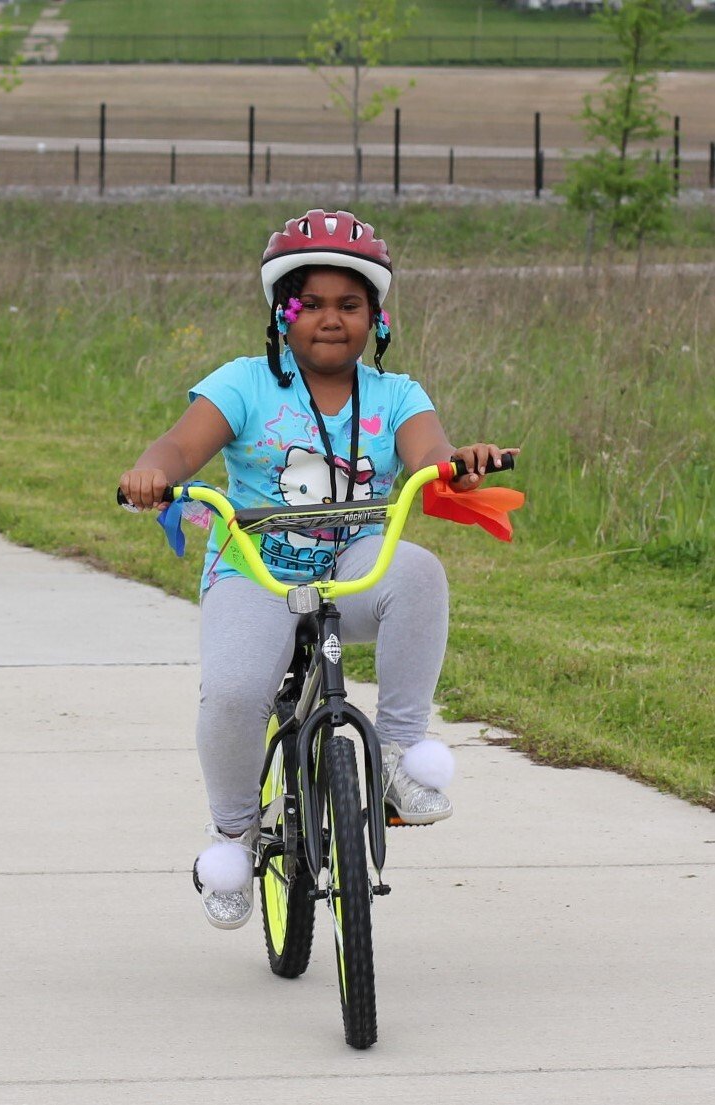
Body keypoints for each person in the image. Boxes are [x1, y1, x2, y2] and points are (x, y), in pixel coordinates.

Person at [117, 209, 516, 931]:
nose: (330, 319)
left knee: (419, 572)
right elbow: (179, 448)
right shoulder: (242, 384)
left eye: (349, 304)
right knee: (235, 693)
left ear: (375, 317)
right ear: (281, 314)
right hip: (257, 571)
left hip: (352, 565)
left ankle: (397, 753)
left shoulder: (396, 395)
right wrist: (153, 471)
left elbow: (430, 456)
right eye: (310, 304)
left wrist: (458, 468)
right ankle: (233, 837)